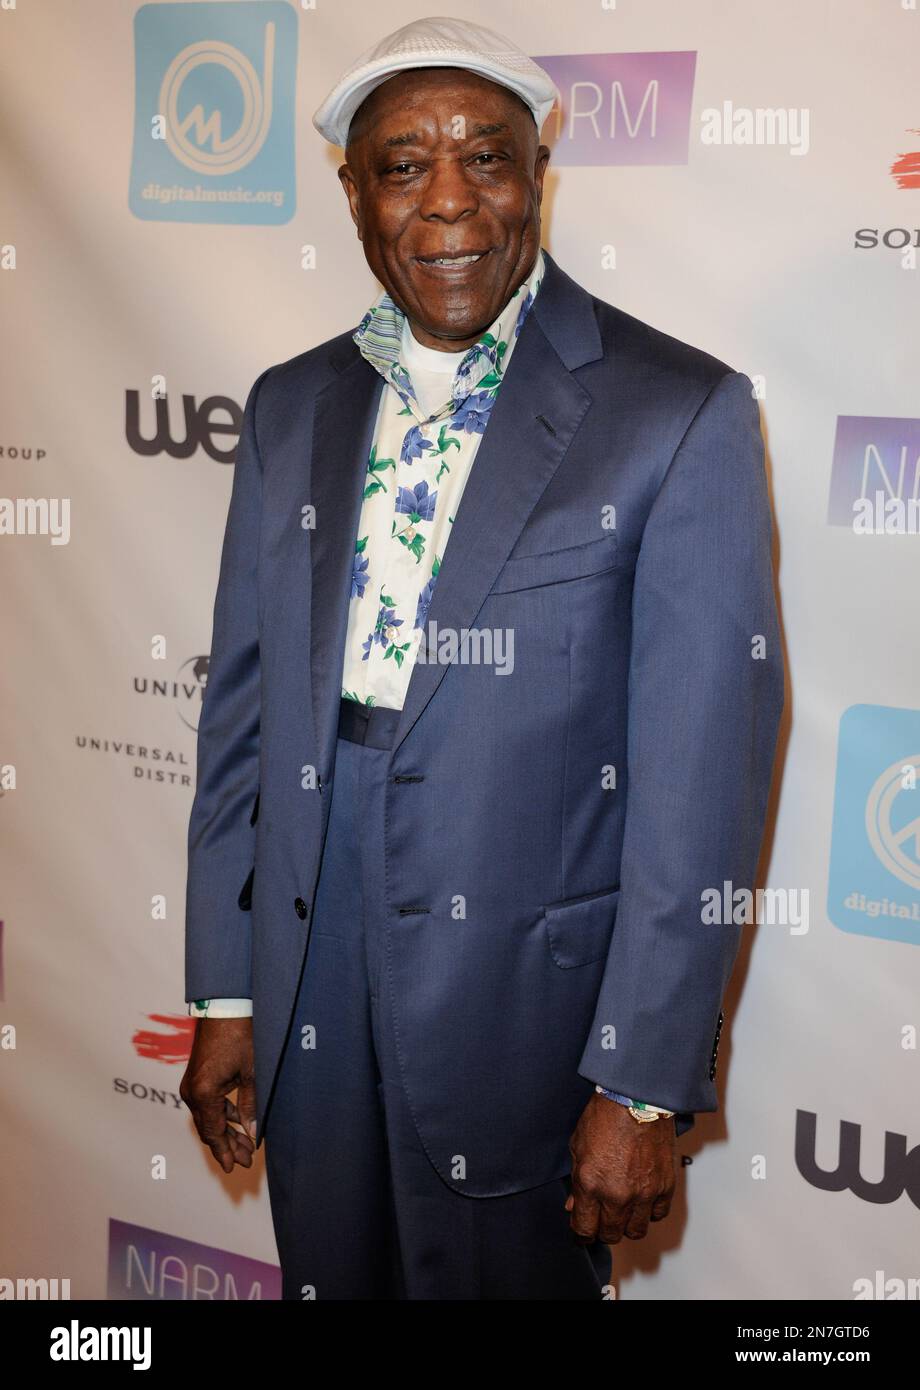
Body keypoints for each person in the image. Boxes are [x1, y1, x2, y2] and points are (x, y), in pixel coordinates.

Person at [180, 15, 784, 1300]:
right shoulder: (289, 406)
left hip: (526, 999)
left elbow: (699, 783)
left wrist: (639, 1077)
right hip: (307, 962)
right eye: (403, 166)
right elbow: (241, 719)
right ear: (353, 195)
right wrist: (228, 992)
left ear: (536, 179)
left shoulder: (675, 412)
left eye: (487, 159)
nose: (448, 200)